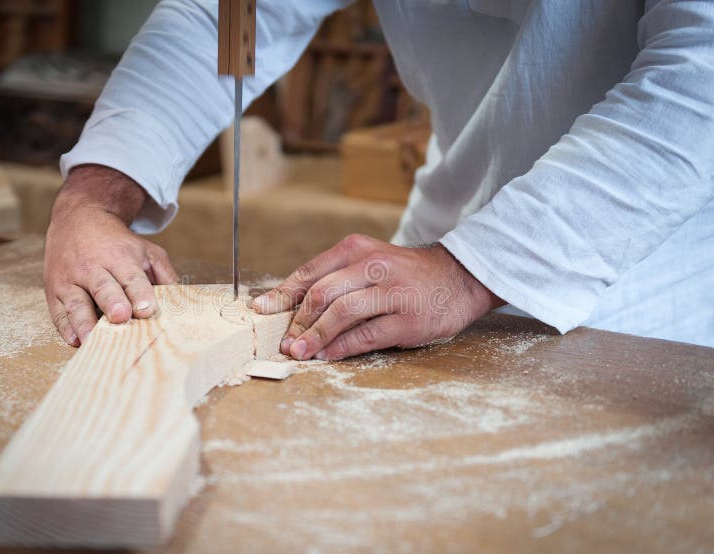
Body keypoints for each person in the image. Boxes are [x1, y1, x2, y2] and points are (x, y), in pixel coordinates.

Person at [44, 0, 714, 359]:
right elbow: (230, 15)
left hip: (637, 279)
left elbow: (698, 76)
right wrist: (92, 198)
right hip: (441, 237)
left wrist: (467, 273)